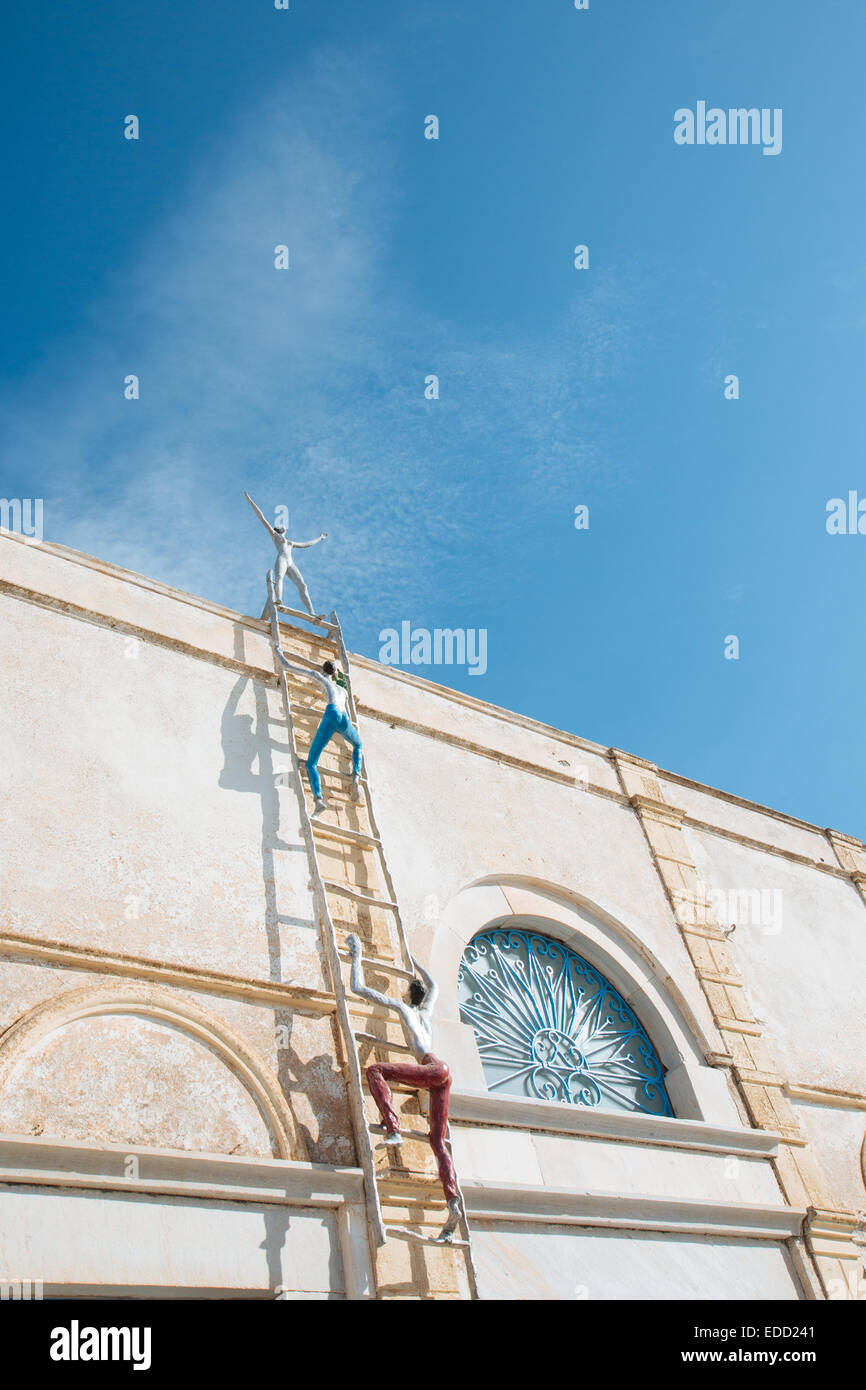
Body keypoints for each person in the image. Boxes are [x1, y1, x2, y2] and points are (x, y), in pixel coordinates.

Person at [346, 933, 462, 1242]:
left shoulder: (405, 1008)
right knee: (437, 1140)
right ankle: (452, 1202)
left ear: (407, 995)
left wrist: (356, 953)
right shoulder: (427, 1011)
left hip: (432, 1068)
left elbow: (358, 988)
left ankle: (393, 1128)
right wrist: (413, 959)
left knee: (374, 1071)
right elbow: (434, 985)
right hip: (443, 1071)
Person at [272, 636, 362, 817]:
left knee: (311, 763)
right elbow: (346, 700)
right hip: (344, 718)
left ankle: (319, 799)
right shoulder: (343, 690)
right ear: (335, 672)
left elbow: (289, 667)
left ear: (324, 670)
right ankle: (356, 775)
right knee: (358, 744)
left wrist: (278, 653)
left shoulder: (320, 678)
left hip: (331, 714)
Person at [244, 490, 327, 616]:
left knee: (303, 585)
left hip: (290, 562)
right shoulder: (275, 536)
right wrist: (250, 501)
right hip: (282, 559)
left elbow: (306, 544)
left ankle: (312, 613)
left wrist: (320, 538)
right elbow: (262, 518)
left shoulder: (290, 542)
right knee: (279, 578)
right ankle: (279, 599)